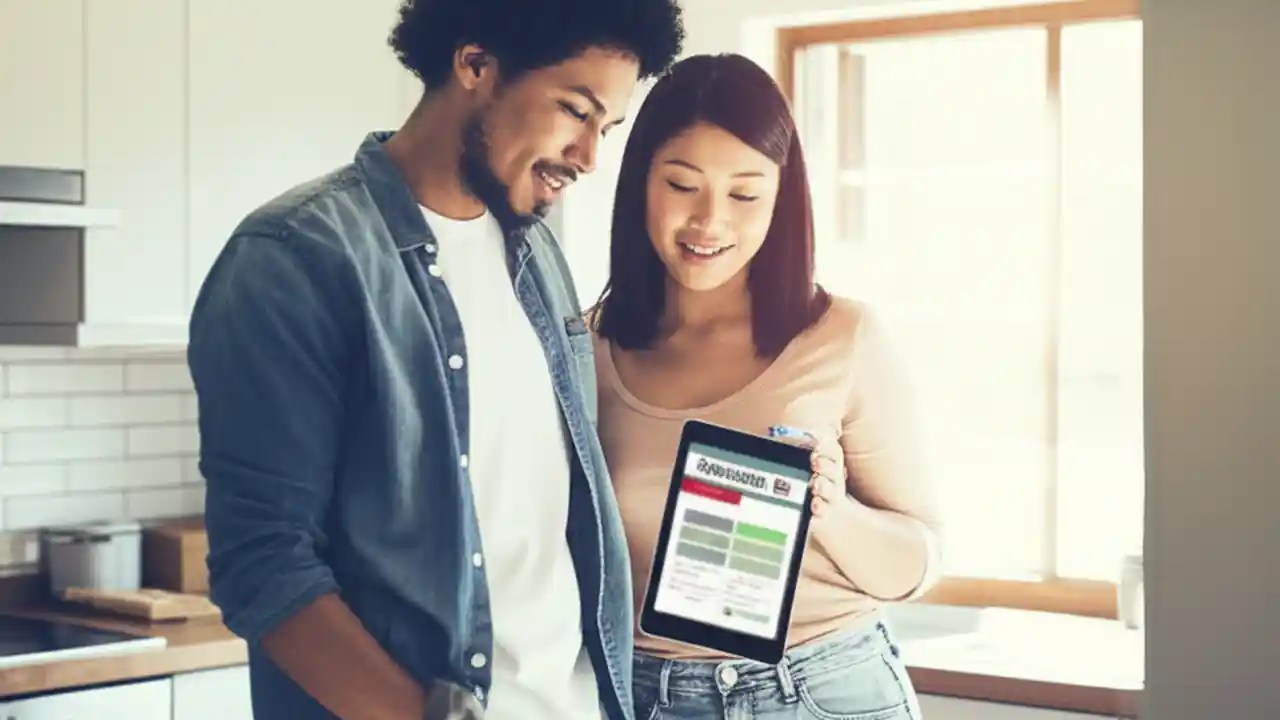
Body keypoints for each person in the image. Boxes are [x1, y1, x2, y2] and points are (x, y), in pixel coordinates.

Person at [186, 1, 684, 719]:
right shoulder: (295, 258)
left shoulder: (537, 255)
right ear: (475, 65)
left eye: (605, 129)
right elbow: (264, 567)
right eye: (575, 111)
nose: (588, 157)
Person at [589, 54, 942, 719]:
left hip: (821, 690)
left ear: (782, 199)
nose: (709, 221)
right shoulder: (587, 348)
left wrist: (831, 511)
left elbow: (916, 567)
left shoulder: (844, 337)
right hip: (644, 696)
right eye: (682, 185)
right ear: (640, 183)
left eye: (745, 194)